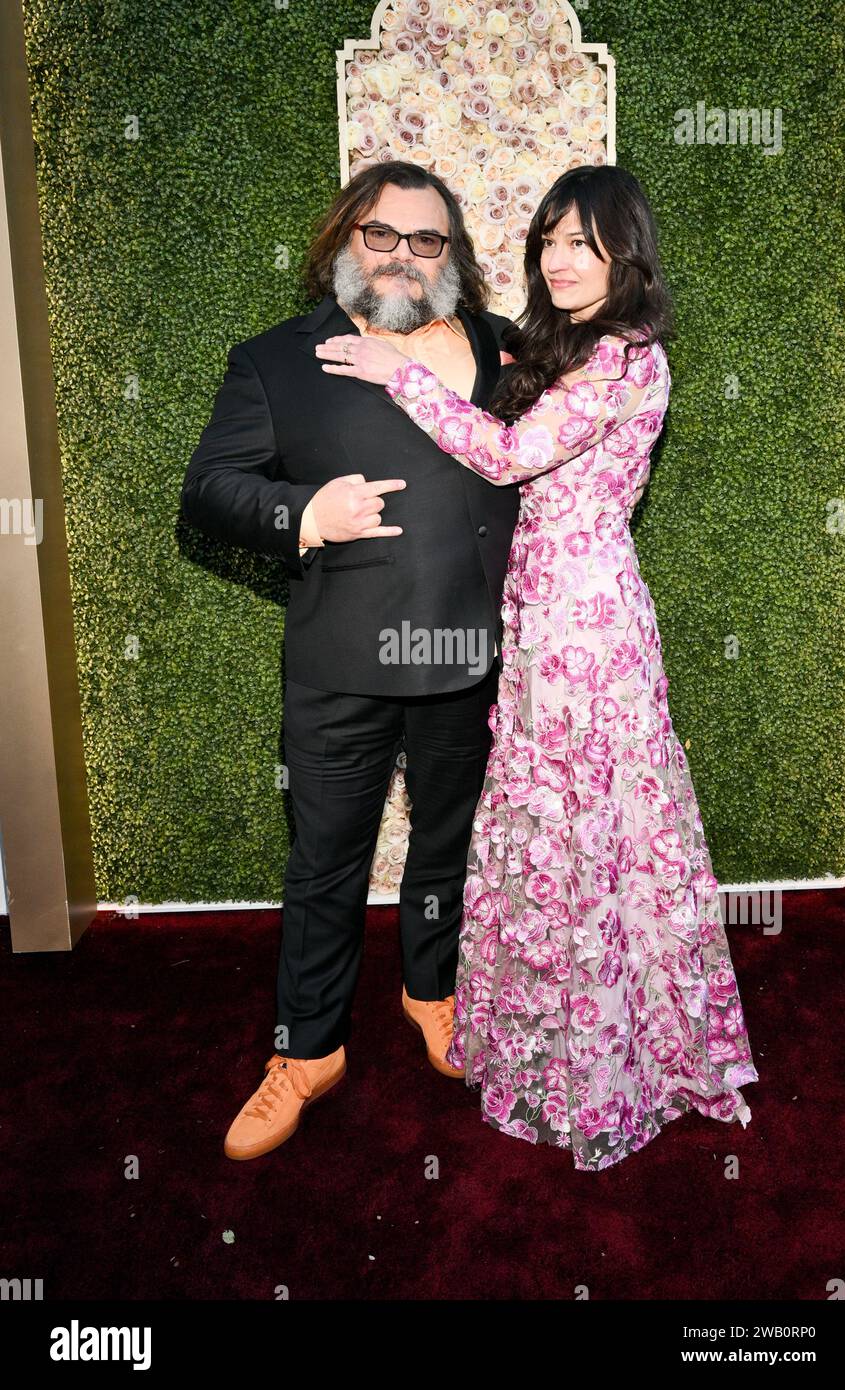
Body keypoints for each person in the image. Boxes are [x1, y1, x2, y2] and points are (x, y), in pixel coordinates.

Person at [316, 164, 759, 1172]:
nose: (560, 262)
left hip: (583, 624)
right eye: (549, 241)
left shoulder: (620, 362)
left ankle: (601, 1057)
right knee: (567, 822)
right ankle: (562, 1024)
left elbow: (507, 456)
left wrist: (401, 374)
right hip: (551, 611)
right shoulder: (583, 348)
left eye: (584, 246)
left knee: (583, 824)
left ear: (625, 254)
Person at [181, 162, 522, 1161]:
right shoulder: (276, 360)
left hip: (471, 654)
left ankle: (433, 990)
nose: (403, 256)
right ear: (341, 238)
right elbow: (208, 489)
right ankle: (308, 1050)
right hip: (339, 661)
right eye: (382, 234)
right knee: (324, 862)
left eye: (427, 240)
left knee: (445, 845)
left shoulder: (504, 348)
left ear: (450, 254)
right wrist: (301, 513)